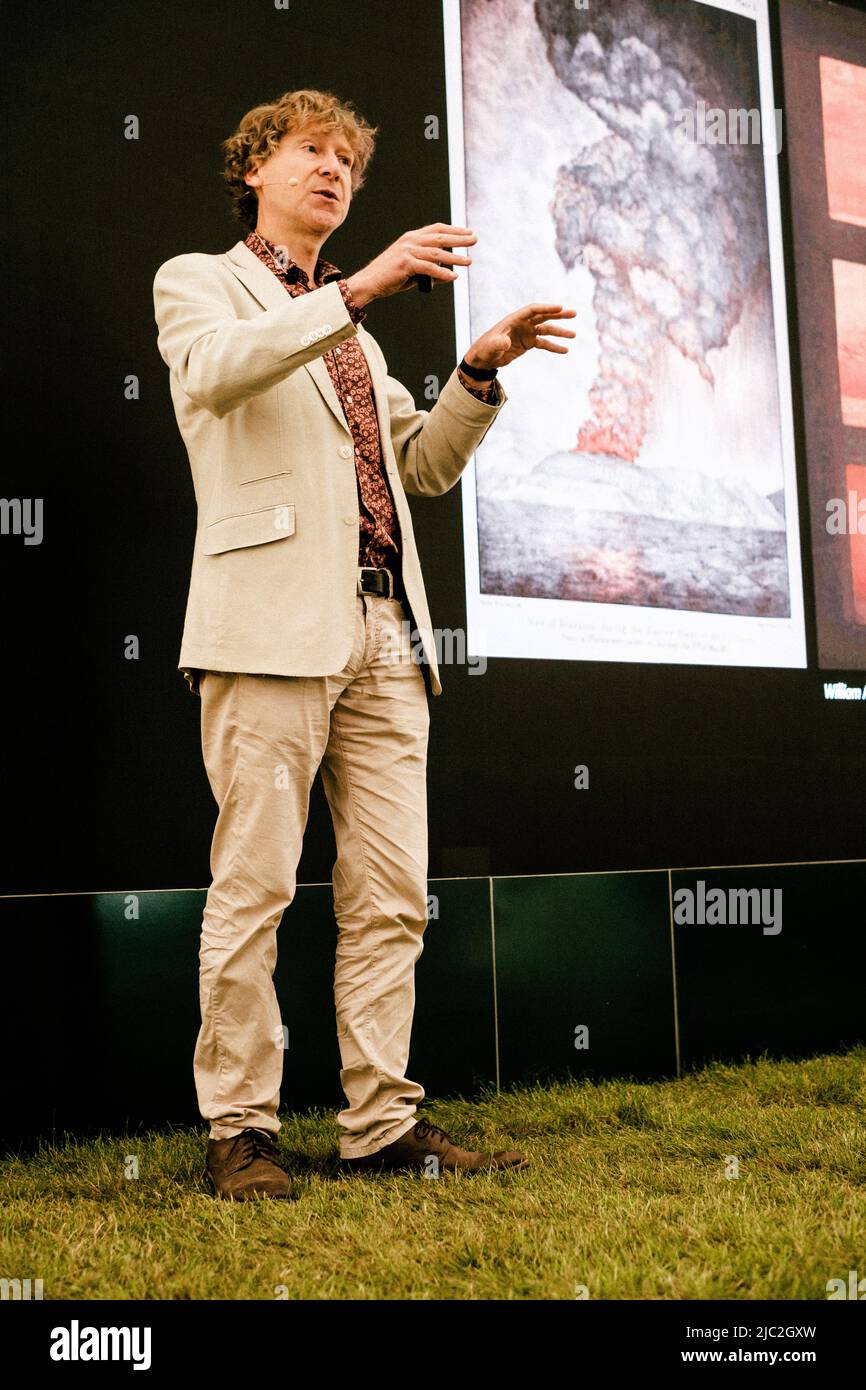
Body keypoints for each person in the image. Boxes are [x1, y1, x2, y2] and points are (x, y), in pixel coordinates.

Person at [153, 88, 576, 1200]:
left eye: (348, 159)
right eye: (310, 151)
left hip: (387, 631)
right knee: (254, 888)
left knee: (389, 892)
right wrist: (360, 288)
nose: (334, 170)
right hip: (267, 623)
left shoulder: (356, 336)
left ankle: (379, 1123)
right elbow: (212, 373)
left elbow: (422, 466)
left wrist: (478, 373)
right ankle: (239, 1129)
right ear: (254, 166)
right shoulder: (201, 282)